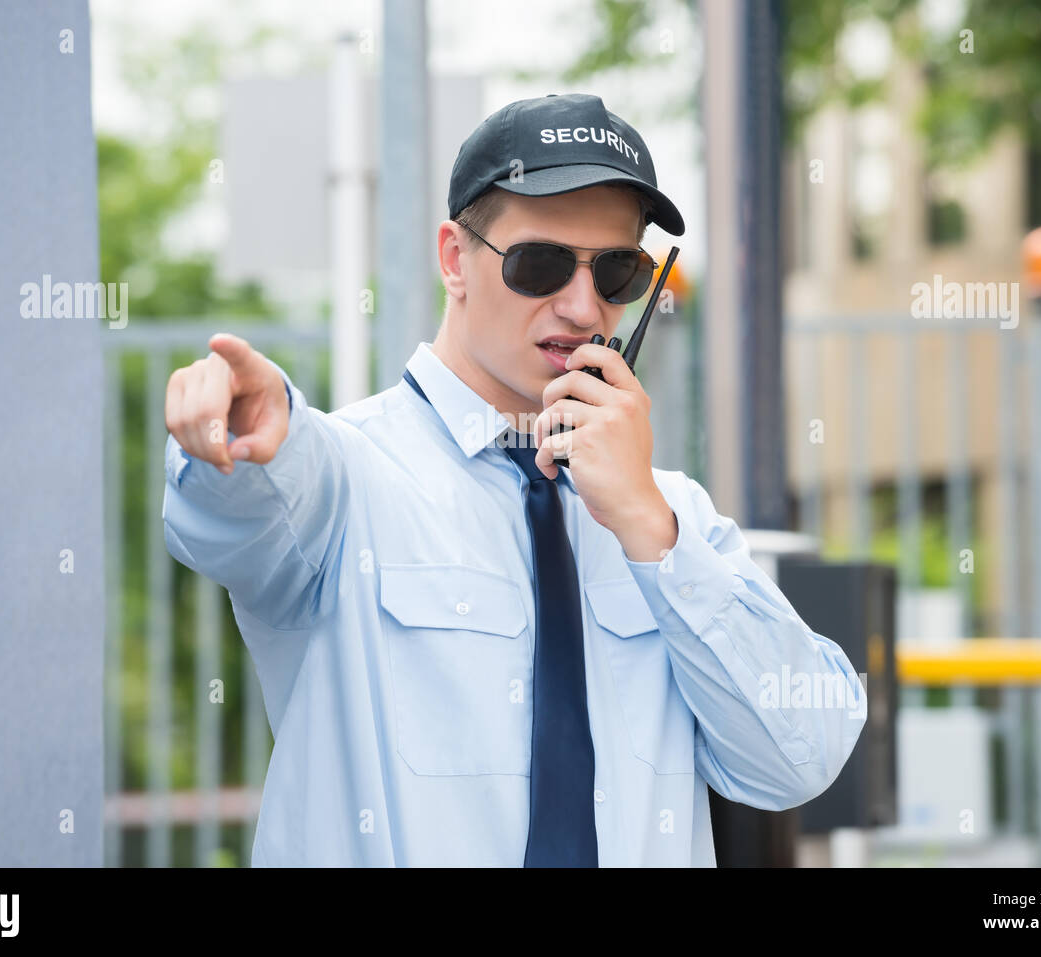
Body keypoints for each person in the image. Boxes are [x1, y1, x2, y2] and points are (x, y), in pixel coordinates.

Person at [162, 92, 866, 866]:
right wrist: (242, 434)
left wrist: (647, 526)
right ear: (454, 260)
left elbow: (804, 756)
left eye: (618, 271)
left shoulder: (671, 516)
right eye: (541, 263)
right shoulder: (348, 470)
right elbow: (239, 511)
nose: (581, 305)